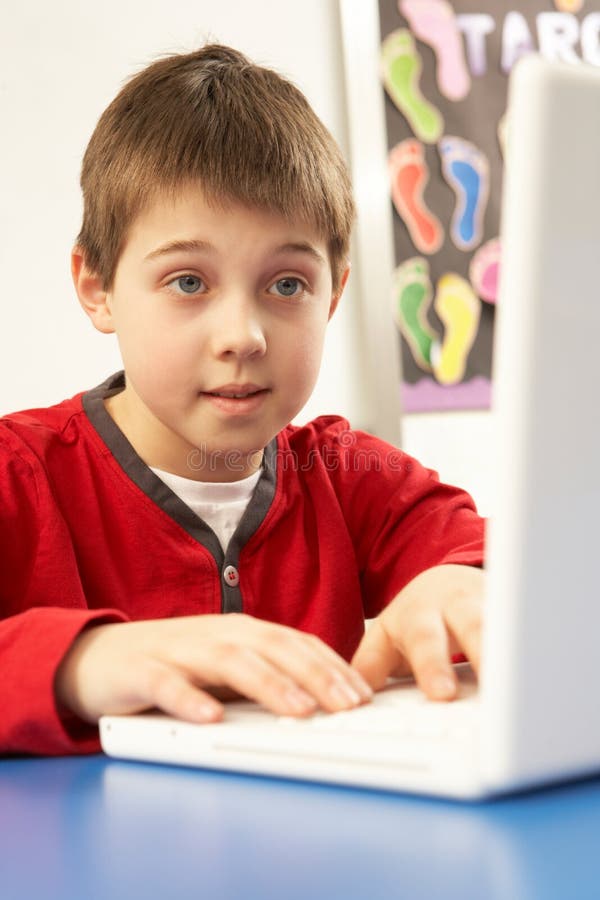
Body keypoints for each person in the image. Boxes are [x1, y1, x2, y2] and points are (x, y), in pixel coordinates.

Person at [0, 44, 485, 757]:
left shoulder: (356, 478)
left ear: (333, 295)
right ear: (97, 286)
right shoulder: (19, 476)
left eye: (286, 284)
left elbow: (492, 558)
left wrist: (462, 585)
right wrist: (81, 662)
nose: (243, 336)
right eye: (189, 282)